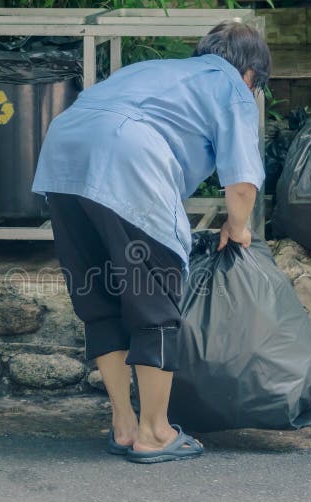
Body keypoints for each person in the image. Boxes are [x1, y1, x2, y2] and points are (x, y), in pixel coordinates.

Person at [32, 21, 270, 464]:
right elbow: (241, 181)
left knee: (100, 300)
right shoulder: (232, 85)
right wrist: (238, 228)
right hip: (125, 159)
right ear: (252, 74)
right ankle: (156, 432)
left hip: (63, 155)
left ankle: (123, 425)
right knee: (153, 301)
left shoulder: (156, 70)